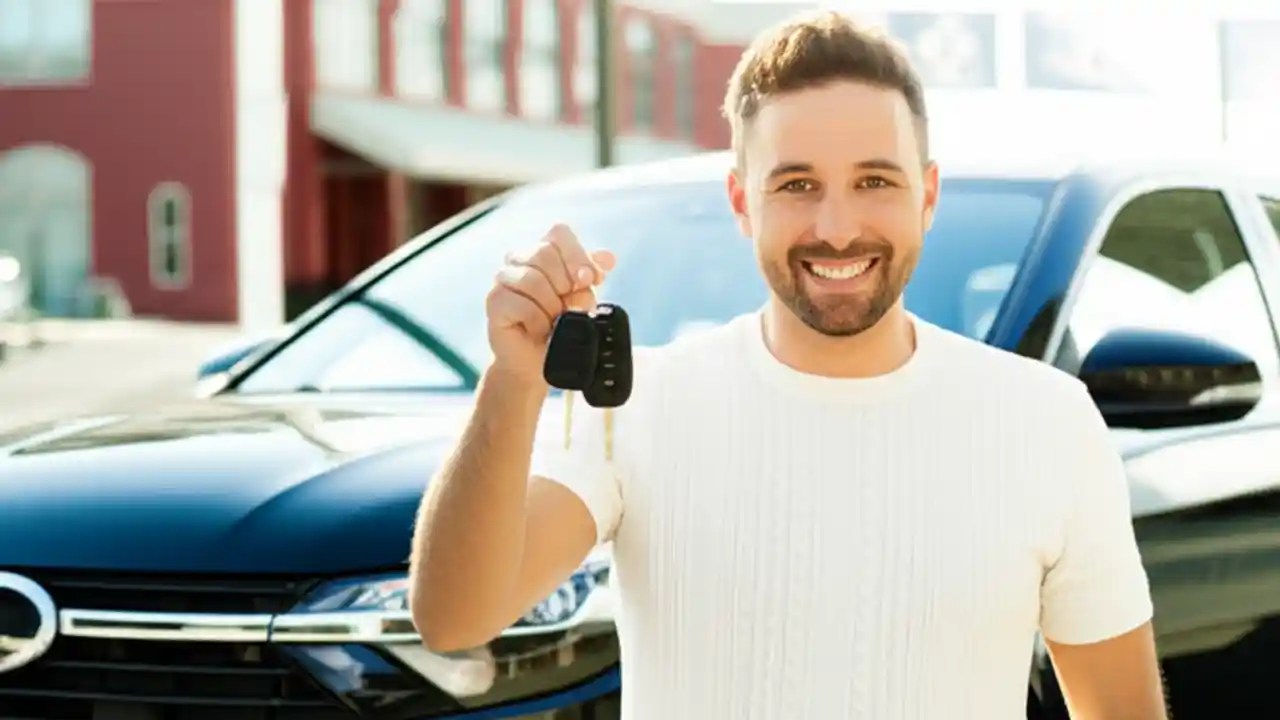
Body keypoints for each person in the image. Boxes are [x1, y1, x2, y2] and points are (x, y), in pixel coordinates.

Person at [408, 9, 1167, 719]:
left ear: (927, 196)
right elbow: (453, 616)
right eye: (797, 185)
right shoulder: (636, 405)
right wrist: (512, 379)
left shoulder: (1047, 421)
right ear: (742, 203)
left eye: (874, 181)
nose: (837, 229)